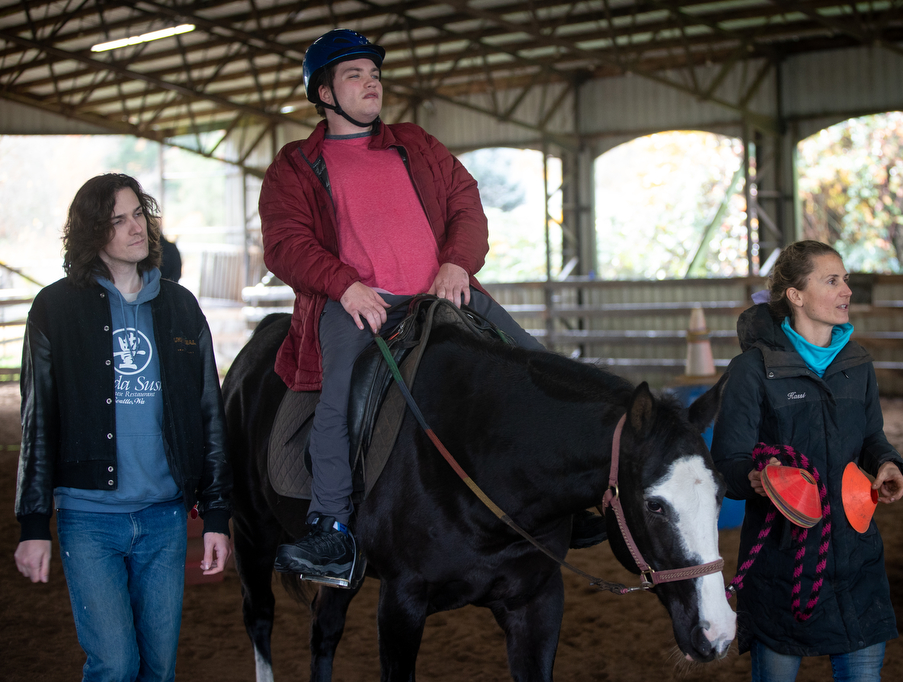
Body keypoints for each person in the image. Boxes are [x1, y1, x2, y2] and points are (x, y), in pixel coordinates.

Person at [260, 28, 552, 582]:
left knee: (536, 364)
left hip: (442, 292)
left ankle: (565, 498)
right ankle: (332, 532)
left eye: (374, 74)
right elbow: (286, 242)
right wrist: (344, 284)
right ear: (324, 93)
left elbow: (466, 203)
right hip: (358, 305)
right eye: (355, 75)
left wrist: (457, 263)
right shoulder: (294, 166)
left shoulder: (416, 143)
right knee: (338, 394)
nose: (372, 83)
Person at [14, 173, 232, 682]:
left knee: (158, 668)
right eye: (119, 219)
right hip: (89, 519)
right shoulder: (55, 309)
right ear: (93, 233)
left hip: (164, 519)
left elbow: (210, 417)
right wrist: (32, 526)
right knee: (115, 664)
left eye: (139, 213)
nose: (137, 227)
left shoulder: (181, 307)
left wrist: (218, 514)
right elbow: (36, 419)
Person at [711, 240, 903, 682]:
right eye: (832, 280)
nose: (847, 291)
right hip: (782, 566)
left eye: (846, 281)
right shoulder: (752, 370)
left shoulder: (857, 363)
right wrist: (757, 478)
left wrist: (889, 465)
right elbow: (727, 462)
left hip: (858, 564)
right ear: (796, 296)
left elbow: (872, 437)